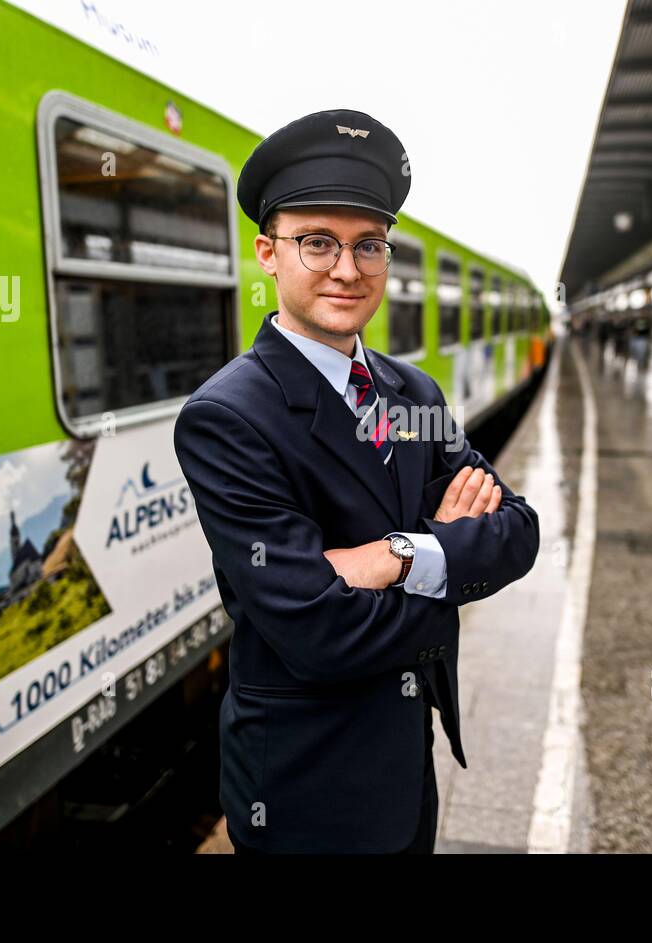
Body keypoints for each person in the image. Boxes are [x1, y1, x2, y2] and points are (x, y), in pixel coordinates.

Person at [172, 109, 541, 854]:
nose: (348, 268)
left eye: (368, 245)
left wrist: (397, 556)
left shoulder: (414, 393)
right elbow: (318, 633)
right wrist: (448, 578)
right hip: (308, 792)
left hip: (409, 763)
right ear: (268, 253)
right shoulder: (227, 417)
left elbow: (520, 530)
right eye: (318, 242)